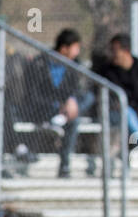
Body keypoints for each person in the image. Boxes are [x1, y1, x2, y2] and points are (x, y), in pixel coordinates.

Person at [27, 28, 95, 177]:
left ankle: (64, 164)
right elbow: (34, 94)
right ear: (64, 48)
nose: (77, 53)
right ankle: (58, 120)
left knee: (87, 99)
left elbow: (76, 89)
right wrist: (59, 105)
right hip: (44, 108)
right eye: (75, 48)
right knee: (73, 118)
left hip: (65, 109)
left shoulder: (74, 65)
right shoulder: (40, 63)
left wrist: (70, 100)